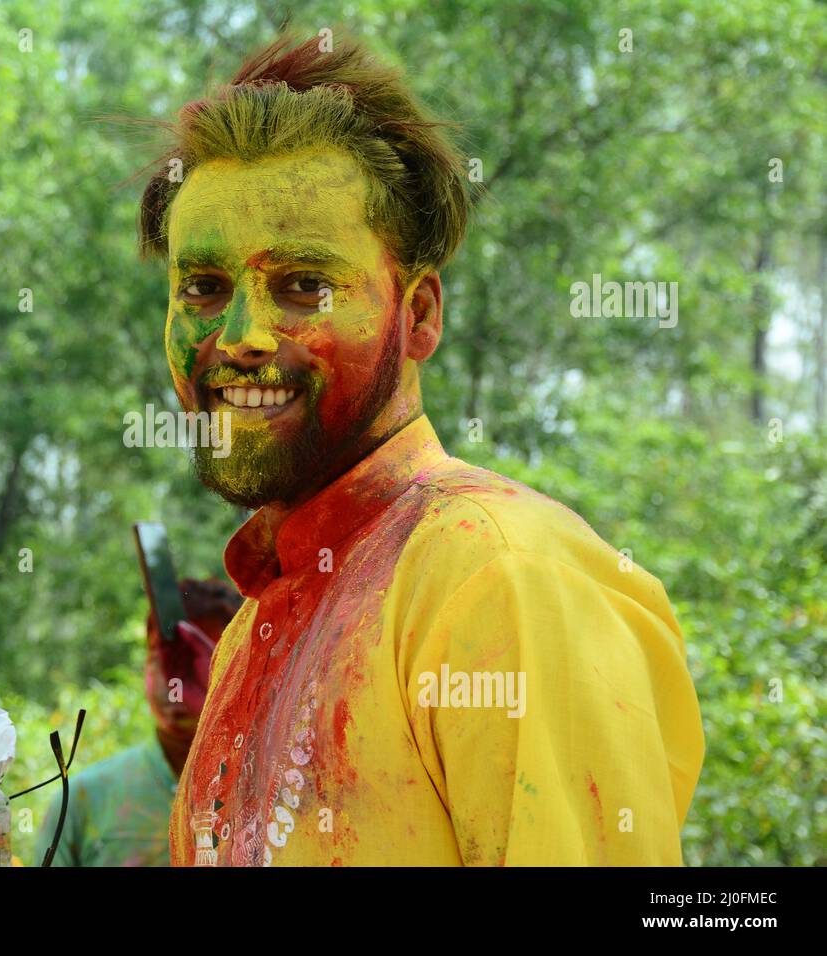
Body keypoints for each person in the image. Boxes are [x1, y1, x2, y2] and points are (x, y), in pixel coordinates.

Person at [139, 36, 706, 865]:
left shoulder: (498, 576)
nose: (242, 336)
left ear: (422, 315)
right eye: (204, 288)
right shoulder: (254, 622)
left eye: (304, 285)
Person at [34, 578, 241, 866]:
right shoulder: (83, 802)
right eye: (161, 659)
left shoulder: (281, 792)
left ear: (239, 667)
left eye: (193, 659)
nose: (174, 681)